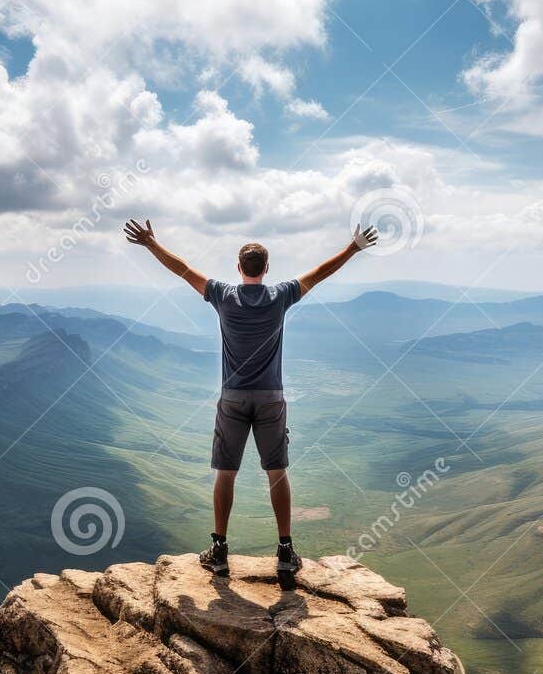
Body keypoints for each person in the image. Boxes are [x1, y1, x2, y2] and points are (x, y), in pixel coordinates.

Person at [122, 218, 378, 587]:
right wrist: (353, 248)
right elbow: (321, 272)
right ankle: (286, 551)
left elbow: (182, 270)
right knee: (277, 472)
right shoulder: (282, 295)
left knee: (226, 472)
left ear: (239, 268)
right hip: (271, 398)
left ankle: (220, 550)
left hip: (233, 398)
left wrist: (150, 244)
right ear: (267, 269)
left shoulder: (223, 295)